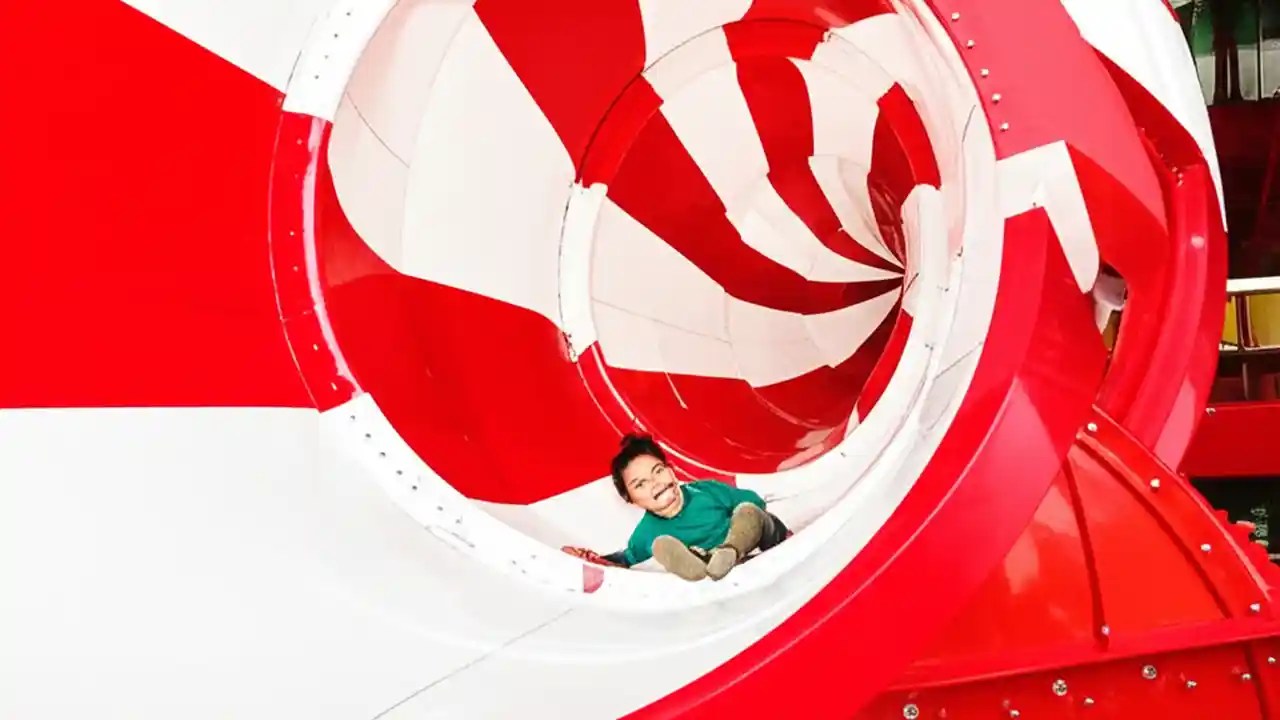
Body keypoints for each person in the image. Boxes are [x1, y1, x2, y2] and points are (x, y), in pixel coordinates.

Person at [562, 434, 789, 581]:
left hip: (760, 539)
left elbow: (755, 503)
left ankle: (730, 550)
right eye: (640, 484)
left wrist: (742, 529)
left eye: (658, 471)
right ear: (631, 500)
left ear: (671, 471)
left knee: (748, 511)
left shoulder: (706, 490)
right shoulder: (646, 534)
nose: (655, 483)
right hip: (716, 564)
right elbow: (624, 560)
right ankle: (701, 565)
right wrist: (592, 559)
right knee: (661, 545)